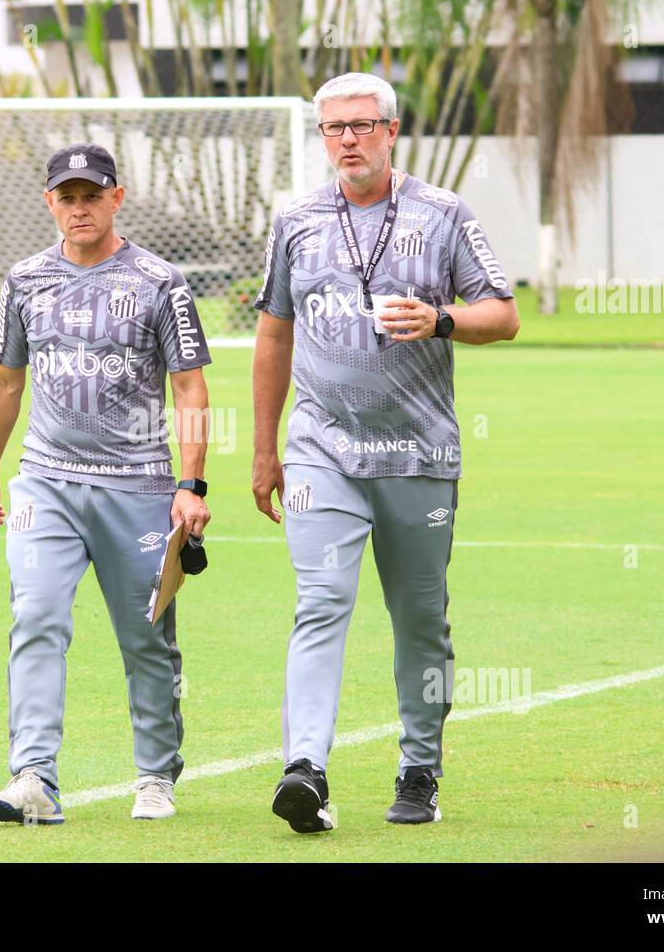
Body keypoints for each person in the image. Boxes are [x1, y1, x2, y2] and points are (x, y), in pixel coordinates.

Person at [251, 73, 519, 833]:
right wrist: (265, 450)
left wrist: (439, 320)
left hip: (418, 457)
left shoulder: (442, 215)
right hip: (321, 452)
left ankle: (419, 768)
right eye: (333, 127)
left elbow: (503, 315)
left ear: (391, 131)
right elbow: (274, 332)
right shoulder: (296, 220)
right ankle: (305, 768)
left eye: (362, 125)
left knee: (420, 621)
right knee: (321, 603)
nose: (347, 139)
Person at [0, 142, 212, 824]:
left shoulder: (161, 281)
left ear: (116, 198)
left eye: (91, 195)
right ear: (50, 202)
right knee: (37, 617)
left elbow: (191, 387)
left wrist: (192, 484)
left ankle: (156, 775)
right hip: (44, 483)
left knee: (146, 635)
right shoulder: (24, 281)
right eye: (66, 197)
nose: (79, 208)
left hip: (139, 486)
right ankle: (34, 779)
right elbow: (5, 379)